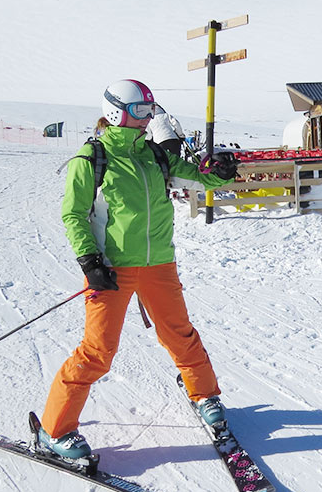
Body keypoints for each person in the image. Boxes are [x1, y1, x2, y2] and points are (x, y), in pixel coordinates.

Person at [36, 79, 239, 459]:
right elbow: (73, 214)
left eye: (150, 110)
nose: (147, 118)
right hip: (112, 268)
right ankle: (54, 429)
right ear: (115, 112)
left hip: (159, 263)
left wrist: (222, 171)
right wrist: (90, 260)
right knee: (98, 351)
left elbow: (200, 178)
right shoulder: (91, 158)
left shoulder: (155, 155)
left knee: (180, 335)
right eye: (139, 111)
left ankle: (205, 395)